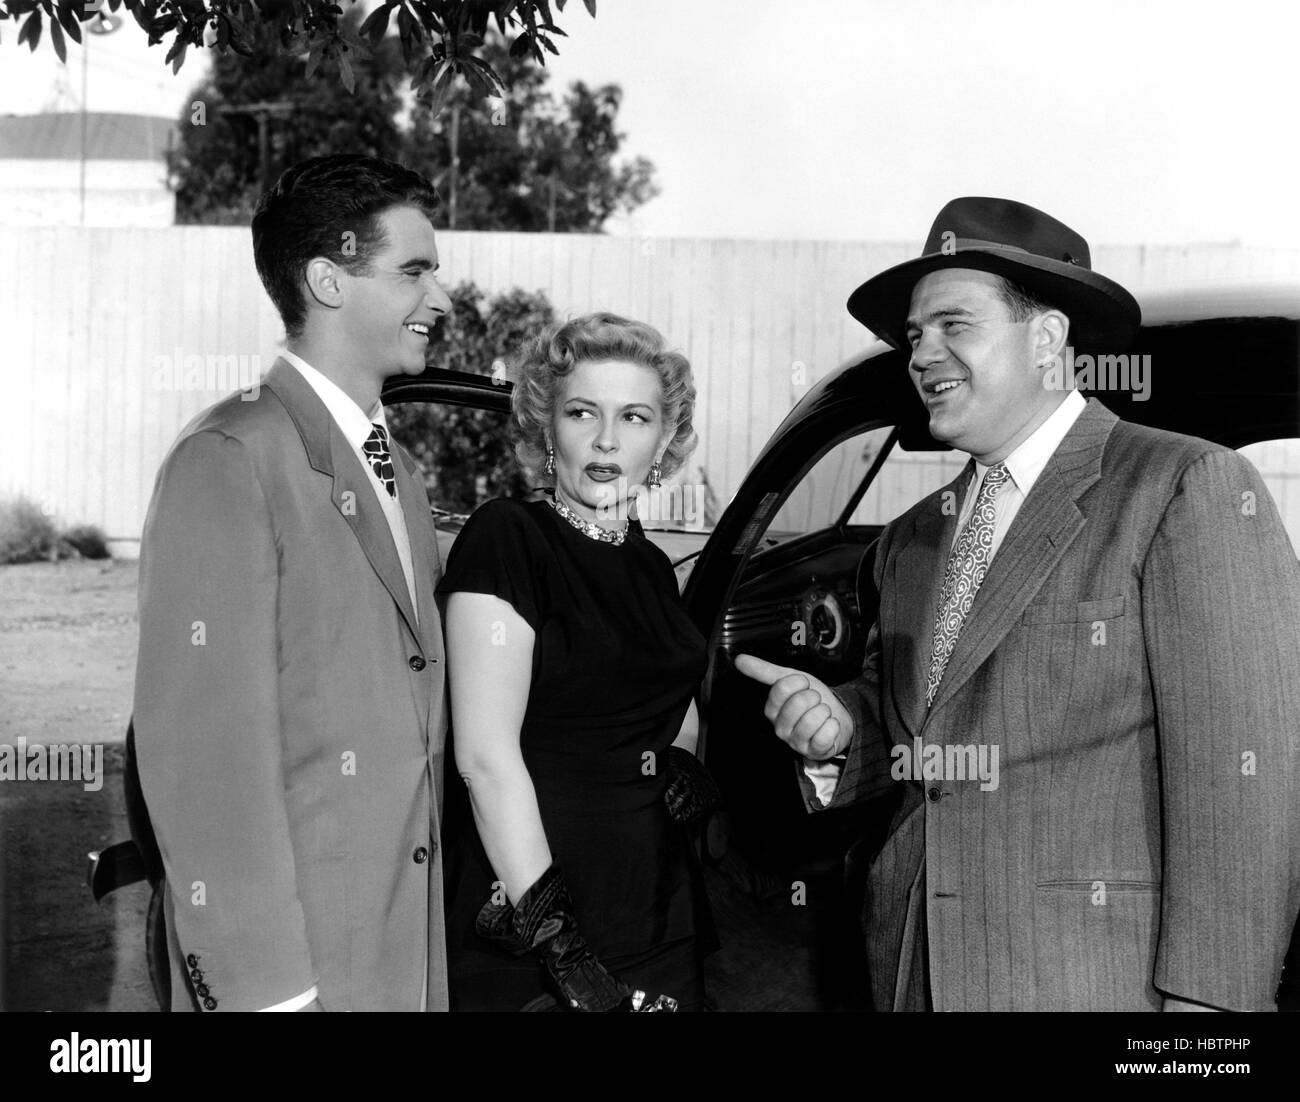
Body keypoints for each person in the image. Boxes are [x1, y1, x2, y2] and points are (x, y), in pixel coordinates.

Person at [738, 196, 1300, 1012]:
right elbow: (918, 740)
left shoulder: (1184, 488)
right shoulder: (908, 541)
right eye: (913, 335)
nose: (922, 354)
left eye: (954, 325)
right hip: (911, 972)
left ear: (1046, 340)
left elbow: (1243, 784)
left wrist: (1207, 1018)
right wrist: (836, 733)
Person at [133, 154, 454, 1011]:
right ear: (328, 280)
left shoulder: (403, 473)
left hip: (406, 954)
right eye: (413, 271)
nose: (442, 299)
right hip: (300, 975)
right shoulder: (229, 458)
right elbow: (205, 766)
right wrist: (268, 995)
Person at [436, 312, 719, 1011]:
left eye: (634, 417)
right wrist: (561, 946)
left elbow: (666, 698)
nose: (606, 439)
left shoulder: (653, 567)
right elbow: (484, 758)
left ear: (663, 441)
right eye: (582, 411)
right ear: (546, 427)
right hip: (531, 914)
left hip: (656, 901)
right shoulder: (507, 538)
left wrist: (681, 758)